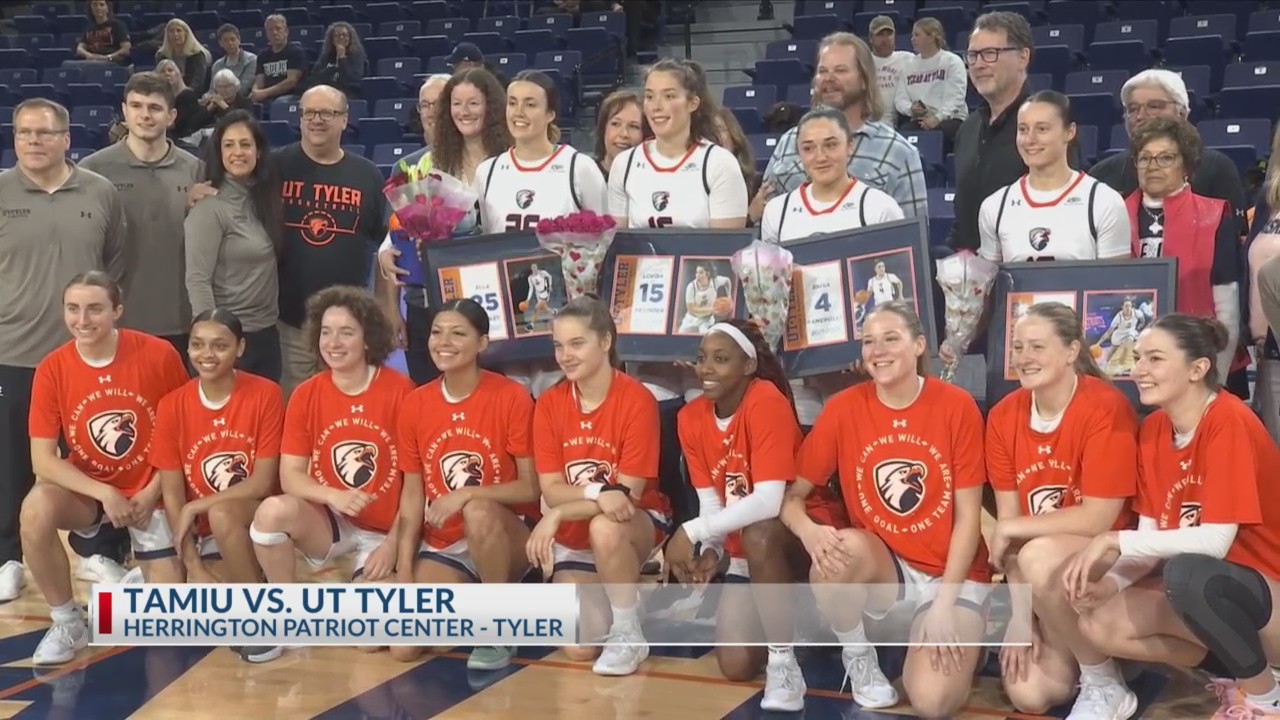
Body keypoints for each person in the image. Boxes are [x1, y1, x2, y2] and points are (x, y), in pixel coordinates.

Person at [778, 301, 990, 718]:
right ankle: (860, 659)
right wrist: (808, 530)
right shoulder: (843, 407)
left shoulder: (956, 405)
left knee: (931, 702)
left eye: (891, 339)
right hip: (888, 569)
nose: (878, 351)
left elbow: (969, 518)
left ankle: (968, 640)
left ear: (919, 345)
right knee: (832, 556)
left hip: (951, 574)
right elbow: (790, 498)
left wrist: (944, 604)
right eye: (869, 342)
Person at [1064, 314, 1280, 718]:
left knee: (1187, 573)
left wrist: (1112, 539)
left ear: (1198, 369)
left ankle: (1267, 701)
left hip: (1270, 595)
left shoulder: (1229, 420)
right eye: (1138, 358)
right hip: (1224, 601)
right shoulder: (1153, 431)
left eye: (1155, 359)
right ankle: (1244, 676)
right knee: (1098, 624)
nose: (1138, 370)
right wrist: (1109, 585)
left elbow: (1214, 542)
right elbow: (1150, 542)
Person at [22, 272, 189, 665]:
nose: (82, 320)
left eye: (94, 309)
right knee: (34, 510)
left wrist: (154, 490)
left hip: (152, 490)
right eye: (73, 309)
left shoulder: (158, 354)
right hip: (93, 492)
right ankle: (67, 622)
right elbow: (42, 460)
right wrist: (104, 492)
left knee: (165, 629)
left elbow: (185, 432)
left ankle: (135, 584)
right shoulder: (52, 368)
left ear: (118, 310)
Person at [0, 98, 130, 601]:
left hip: (87, 355)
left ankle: (101, 550)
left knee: (99, 453)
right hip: (14, 350)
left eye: (44, 132)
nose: (33, 141)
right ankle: (8, 556)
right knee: (11, 460)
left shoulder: (100, 192)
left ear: (66, 138)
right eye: (24, 132)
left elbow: (114, 263)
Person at [984, 302, 1140, 717]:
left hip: (1112, 561)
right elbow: (1010, 533)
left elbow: (1098, 518)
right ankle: (1091, 659)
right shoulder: (1002, 417)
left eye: (1037, 346)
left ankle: (1105, 681)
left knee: (1037, 554)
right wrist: (1020, 619)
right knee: (1031, 694)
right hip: (1045, 575)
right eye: (1018, 347)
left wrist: (1012, 528)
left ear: (1071, 351)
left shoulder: (1105, 407)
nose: (1024, 357)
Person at [246, 286, 417, 665]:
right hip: (330, 522)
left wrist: (393, 543)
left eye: (346, 332)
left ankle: (357, 586)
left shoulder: (400, 391)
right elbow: (291, 476)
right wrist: (333, 495)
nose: (333, 342)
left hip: (386, 530)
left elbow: (415, 486)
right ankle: (286, 613)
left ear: (368, 338)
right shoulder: (306, 394)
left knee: (371, 642)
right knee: (271, 513)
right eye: (326, 331)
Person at [525, 296, 671, 676]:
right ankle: (627, 597)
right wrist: (591, 493)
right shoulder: (549, 404)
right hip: (576, 533)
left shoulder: (637, 399)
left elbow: (625, 497)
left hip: (633, 523)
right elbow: (552, 489)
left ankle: (628, 632)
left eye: (577, 344)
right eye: (558, 345)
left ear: (605, 341)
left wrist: (558, 513)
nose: (565, 356)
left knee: (606, 526)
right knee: (579, 647)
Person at [664, 320, 806, 711]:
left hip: (795, 539)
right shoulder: (690, 418)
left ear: (748, 366)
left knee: (760, 533)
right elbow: (713, 503)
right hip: (746, 549)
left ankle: (784, 664)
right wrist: (712, 549)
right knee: (736, 665)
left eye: (720, 359)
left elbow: (769, 501)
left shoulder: (766, 401)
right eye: (701, 358)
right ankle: (790, 619)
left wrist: (690, 531)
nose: (706, 369)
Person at [396, 298, 540, 670]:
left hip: (506, 533)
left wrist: (465, 493)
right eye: (436, 332)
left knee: (477, 510)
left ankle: (497, 625)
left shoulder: (511, 396)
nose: (444, 342)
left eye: (458, 334)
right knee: (404, 647)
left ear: (482, 343)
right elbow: (412, 494)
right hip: (446, 543)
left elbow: (530, 488)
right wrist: (404, 569)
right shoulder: (415, 403)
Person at [760, 106, 904, 427]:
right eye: (809, 148)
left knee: (855, 447)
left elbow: (897, 296)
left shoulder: (878, 207)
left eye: (830, 144)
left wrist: (873, 347)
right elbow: (770, 293)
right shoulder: (777, 212)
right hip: (799, 364)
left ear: (850, 146)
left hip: (859, 365)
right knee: (808, 448)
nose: (820, 156)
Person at [268, 85, 389, 399]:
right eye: (309, 112)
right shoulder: (274, 167)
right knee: (293, 410)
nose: (316, 120)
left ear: (344, 120)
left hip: (347, 327)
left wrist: (387, 306)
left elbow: (386, 248)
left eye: (327, 113)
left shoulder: (367, 175)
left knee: (343, 410)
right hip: (287, 324)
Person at [152, 309, 284, 585]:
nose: (207, 354)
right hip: (206, 531)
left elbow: (262, 483)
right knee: (191, 595)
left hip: (259, 518)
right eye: (198, 344)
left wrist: (195, 506)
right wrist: (194, 566)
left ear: (240, 347)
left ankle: (256, 598)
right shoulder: (171, 405)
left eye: (220, 346)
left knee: (221, 513)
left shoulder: (266, 393)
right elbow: (173, 494)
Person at [79, 71, 204, 360]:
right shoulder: (93, 171)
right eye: (136, 106)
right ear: (124, 111)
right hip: (116, 320)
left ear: (171, 116)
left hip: (182, 320)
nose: (145, 115)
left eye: (155, 107)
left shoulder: (197, 170)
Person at [756, 31, 927, 222]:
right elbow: (764, 216)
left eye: (840, 70)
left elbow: (913, 234)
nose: (829, 78)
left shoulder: (900, 153)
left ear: (865, 79)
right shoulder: (788, 141)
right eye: (822, 71)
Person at [1126, 117, 1241, 383]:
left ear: (1186, 164)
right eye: (1144, 158)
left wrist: (1215, 381)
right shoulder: (1115, 212)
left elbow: (1227, 308)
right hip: (1129, 359)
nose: (1153, 166)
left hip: (1194, 361)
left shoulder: (1214, 216)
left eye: (1166, 158)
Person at [184, 110, 284, 381]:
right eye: (229, 145)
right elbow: (197, 279)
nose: (237, 152)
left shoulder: (265, 200)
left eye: (245, 144)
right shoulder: (209, 207)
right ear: (219, 153)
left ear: (258, 151)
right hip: (228, 339)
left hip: (266, 333)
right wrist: (213, 337)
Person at [1088, 70, 1246, 236]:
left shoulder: (1217, 167)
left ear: (1182, 114)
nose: (1140, 116)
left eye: (1154, 106)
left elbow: (1236, 236)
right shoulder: (1102, 174)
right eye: (1132, 109)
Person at [978, 91, 1130, 263]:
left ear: (1069, 132)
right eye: (1023, 129)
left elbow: (1113, 279)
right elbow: (989, 277)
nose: (1030, 139)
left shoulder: (1104, 202)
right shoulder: (995, 206)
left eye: (1042, 129)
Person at [609, 58, 747, 230]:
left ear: (692, 103)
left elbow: (727, 244)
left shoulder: (719, 164)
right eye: (650, 97)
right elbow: (617, 240)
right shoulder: (624, 164)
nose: (656, 106)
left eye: (669, 96)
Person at [947, 11, 1035, 254]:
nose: (978, 64)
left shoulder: (1045, 125)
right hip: (972, 271)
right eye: (973, 55)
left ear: (1023, 57)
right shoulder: (968, 128)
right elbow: (963, 218)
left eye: (990, 53)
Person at [893, 18, 968, 146]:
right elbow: (900, 99)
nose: (912, 39)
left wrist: (938, 118)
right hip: (920, 120)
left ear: (931, 37)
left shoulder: (952, 61)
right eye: (912, 35)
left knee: (939, 135)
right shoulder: (908, 65)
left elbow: (956, 98)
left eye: (917, 35)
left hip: (950, 119)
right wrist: (911, 109)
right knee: (903, 135)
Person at [248, 14, 307, 104]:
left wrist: (265, 93)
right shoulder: (263, 56)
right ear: (266, 34)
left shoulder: (296, 52)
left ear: (286, 31)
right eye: (270, 30)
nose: (274, 33)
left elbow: (291, 81)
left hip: (290, 97)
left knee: (279, 102)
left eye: (278, 28)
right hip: (267, 97)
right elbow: (259, 82)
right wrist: (255, 92)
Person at [869, 16, 914, 126]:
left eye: (889, 34)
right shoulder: (862, 60)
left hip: (898, 120)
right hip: (868, 120)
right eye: (880, 34)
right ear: (871, 38)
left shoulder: (908, 59)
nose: (885, 39)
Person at [592, 90, 643, 179]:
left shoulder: (651, 179)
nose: (624, 134)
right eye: (616, 124)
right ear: (603, 128)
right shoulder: (584, 174)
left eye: (633, 126)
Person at [311, 22, 367, 97]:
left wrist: (341, 58)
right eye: (337, 35)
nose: (341, 38)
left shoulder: (356, 56)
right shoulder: (326, 55)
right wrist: (333, 69)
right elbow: (316, 76)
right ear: (332, 40)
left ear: (350, 38)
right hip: (327, 92)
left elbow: (352, 79)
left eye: (344, 35)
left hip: (349, 93)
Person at [155, 18, 211, 93]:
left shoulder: (197, 55)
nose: (175, 34)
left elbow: (198, 82)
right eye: (171, 31)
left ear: (186, 33)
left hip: (192, 94)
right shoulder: (162, 55)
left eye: (179, 31)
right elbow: (159, 79)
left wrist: (185, 94)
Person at [71, 0, 131, 68]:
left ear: (107, 8)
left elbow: (126, 49)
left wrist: (107, 57)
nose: (98, 8)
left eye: (101, 5)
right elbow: (80, 49)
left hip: (112, 62)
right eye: (95, 5)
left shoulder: (118, 25)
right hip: (92, 62)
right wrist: (89, 55)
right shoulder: (88, 28)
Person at [209, 24, 257, 96]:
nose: (230, 43)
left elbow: (244, 88)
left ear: (239, 40)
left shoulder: (251, 60)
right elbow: (212, 90)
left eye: (233, 39)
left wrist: (222, 97)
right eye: (225, 40)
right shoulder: (217, 65)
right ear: (220, 43)